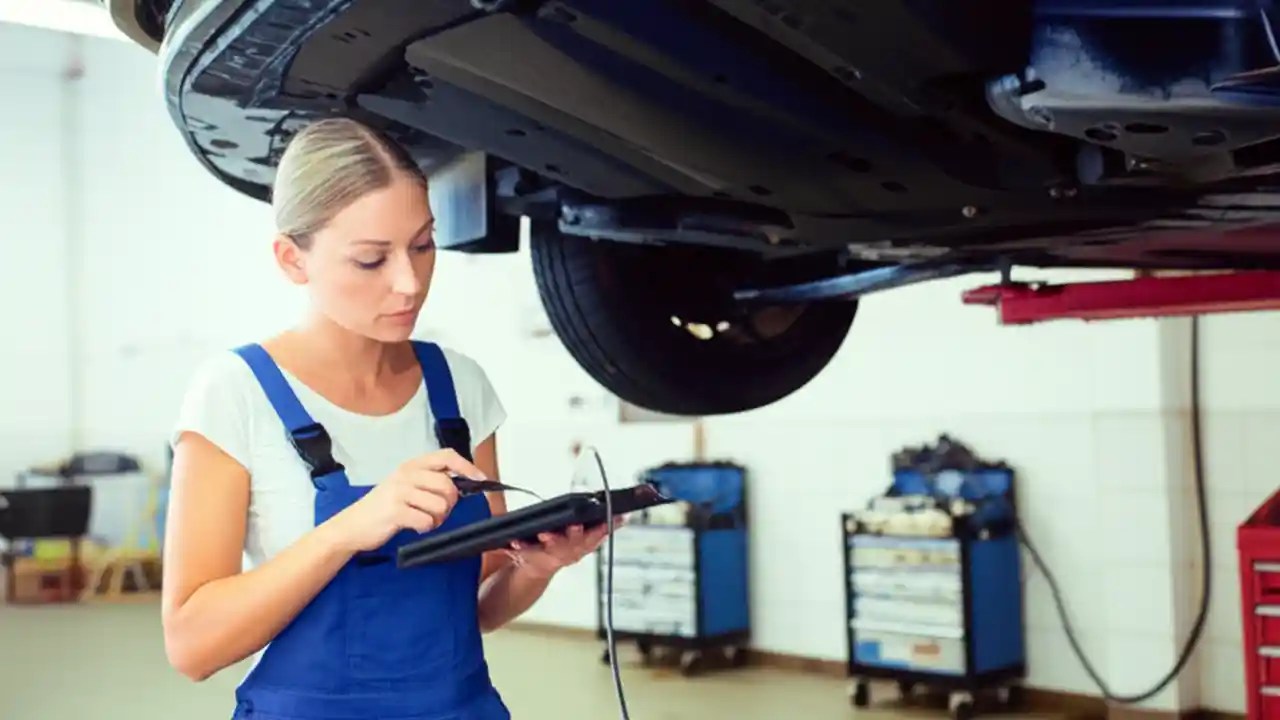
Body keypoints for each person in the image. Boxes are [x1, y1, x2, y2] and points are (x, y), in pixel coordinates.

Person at [161, 117, 610, 720]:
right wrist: (349, 528)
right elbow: (192, 646)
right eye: (371, 260)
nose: (409, 283)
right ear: (293, 260)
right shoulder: (234, 392)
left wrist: (537, 568)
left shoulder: (460, 388)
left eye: (423, 246)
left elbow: (476, 605)